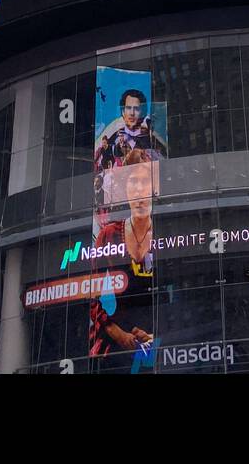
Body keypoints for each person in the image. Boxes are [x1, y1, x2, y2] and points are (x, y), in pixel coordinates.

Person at [88, 150, 156, 360]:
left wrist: (158, 335)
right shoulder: (107, 236)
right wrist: (118, 334)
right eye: (133, 181)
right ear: (125, 188)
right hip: (114, 347)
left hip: (161, 348)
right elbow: (92, 295)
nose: (139, 190)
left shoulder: (167, 234)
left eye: (145, 181)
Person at [94, 86, 166, 172]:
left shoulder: (152, 141)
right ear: (122, 112)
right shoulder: (112, 140)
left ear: (143, 112)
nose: (132, 113)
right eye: (128, 108)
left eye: (136, 108)